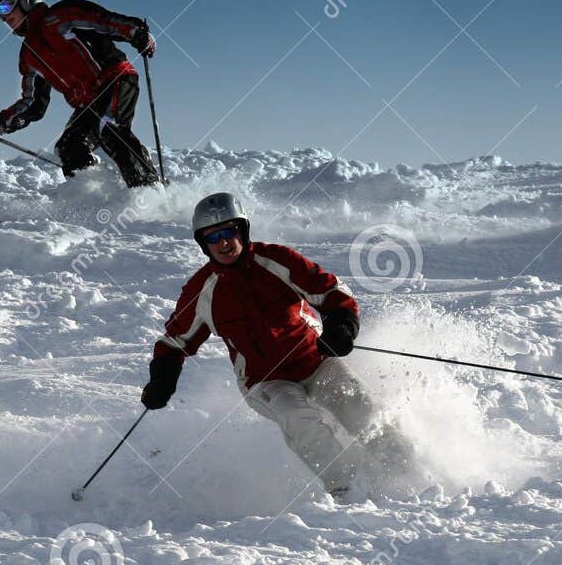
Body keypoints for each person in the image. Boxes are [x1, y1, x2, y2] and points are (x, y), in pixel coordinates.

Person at [140, 192, 415, 500]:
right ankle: (350, 488)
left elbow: (332, 291)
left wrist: (341, 325)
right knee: (297, 417)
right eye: (213, 236)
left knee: (358, 405)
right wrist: (162, 378)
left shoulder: (276, 260)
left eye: (229, 231)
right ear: (203, 244)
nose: (223, 242)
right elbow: (174, 341)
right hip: (265, 380)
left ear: (242, 230)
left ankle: (407, 468)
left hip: (315, 359)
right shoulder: (202, 290)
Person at [0, 0, 161, 188]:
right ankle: (97, 196)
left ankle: (148, 190)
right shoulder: (29, 55)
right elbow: (32, 104)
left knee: (109, 128)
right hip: (88, 104)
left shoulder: (63, 15)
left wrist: (136, 33)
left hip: (115, 78)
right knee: (69, 148)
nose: (4, 16)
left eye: (6, 6)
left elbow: (106, 22)